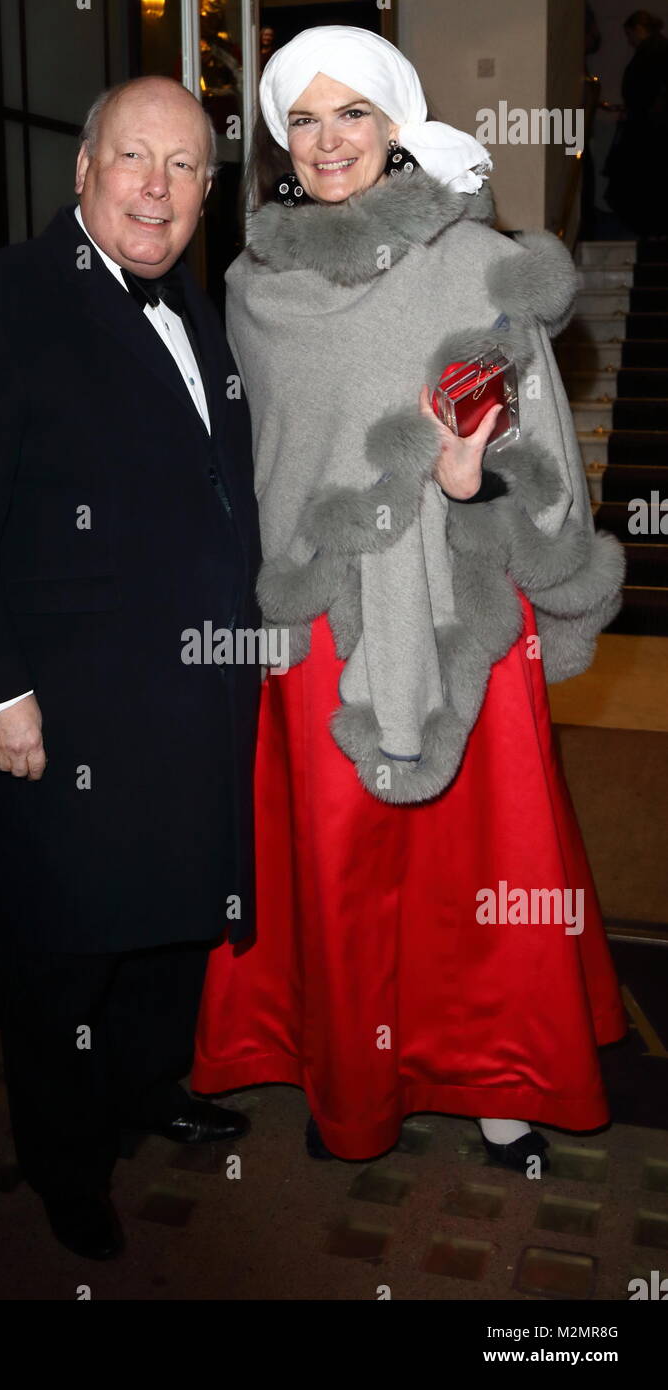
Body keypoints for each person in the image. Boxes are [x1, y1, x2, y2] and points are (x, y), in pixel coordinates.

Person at [192, 26, 627, 1175]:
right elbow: (260, 463)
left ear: (393, 128)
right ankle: (353, 1085)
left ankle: (498, 1084)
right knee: (340, 871)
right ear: (281, 144)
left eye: (352, 115)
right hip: (321, 615)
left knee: (479, 869)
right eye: (304, 120)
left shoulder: (470, 262)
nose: (327, 141)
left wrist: (467, 479)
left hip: (459, 603)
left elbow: (533, 449)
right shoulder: (250, 287)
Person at [0, 76, 262, 1259]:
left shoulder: (196, 311)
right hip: (62, 708)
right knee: (65, 949)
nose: (155, 188)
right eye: (132, 159)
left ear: (208, 192)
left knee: (166, 923)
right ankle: (65, 1164)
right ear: (82, 169)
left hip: (185, 692)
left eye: (185, 167)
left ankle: (147, 1089)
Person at [605, 10, 668, 234]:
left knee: (632, 187)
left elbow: (644, 91)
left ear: (638, 30)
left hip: (647, 131)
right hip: (649, 127)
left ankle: (650, 231)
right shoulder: (657, 49)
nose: (629, 42)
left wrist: (634, 111)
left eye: (630, 35)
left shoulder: (651, 52)